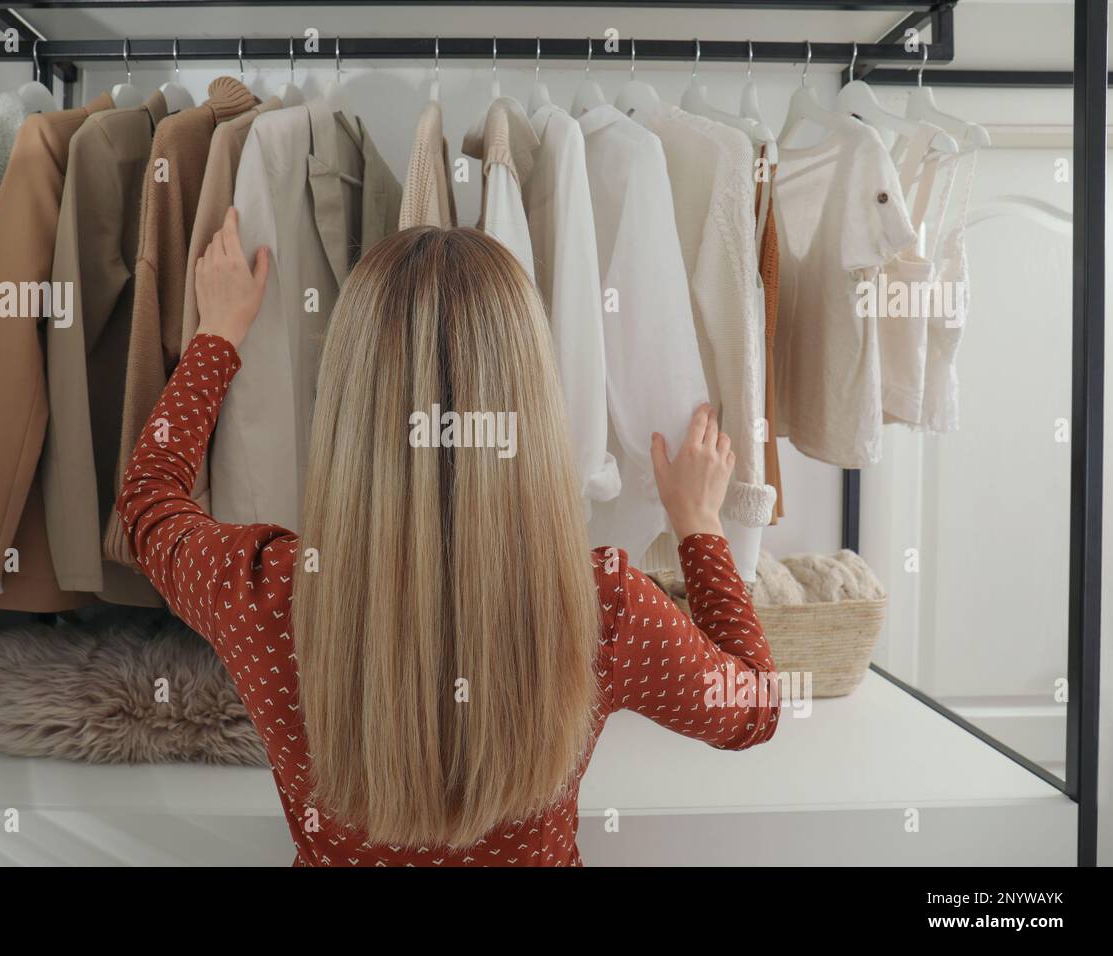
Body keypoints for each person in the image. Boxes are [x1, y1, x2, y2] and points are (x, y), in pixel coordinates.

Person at [117, 209, 780, 867]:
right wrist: (699, 525)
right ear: (534, 403)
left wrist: (219, 331)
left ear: (348, 404)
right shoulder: (602, 605)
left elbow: (147, 505)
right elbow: (754, 706)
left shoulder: (265, 591)